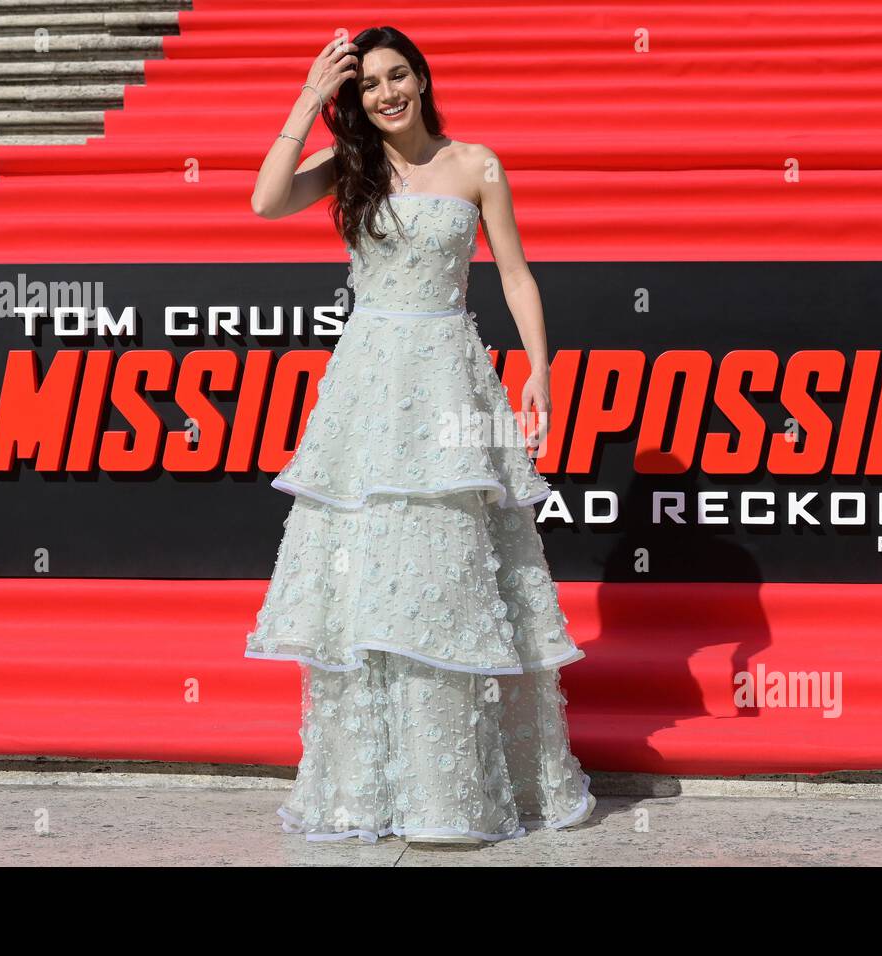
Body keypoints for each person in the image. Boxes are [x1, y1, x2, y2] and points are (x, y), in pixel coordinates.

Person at [243, 25, 595, 845]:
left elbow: (514, 272)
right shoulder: (351, 169)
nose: (386, 93)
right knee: (369, 570)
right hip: (367, 383)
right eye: (367, 85)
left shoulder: (477, 164)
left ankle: (453, 795)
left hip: (449, 373)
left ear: (423, 78)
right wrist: (305, 97)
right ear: (355, 100)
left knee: (452, 563)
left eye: (397, 75)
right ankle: (372, 789)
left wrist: (538, 369)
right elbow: (264, 200)